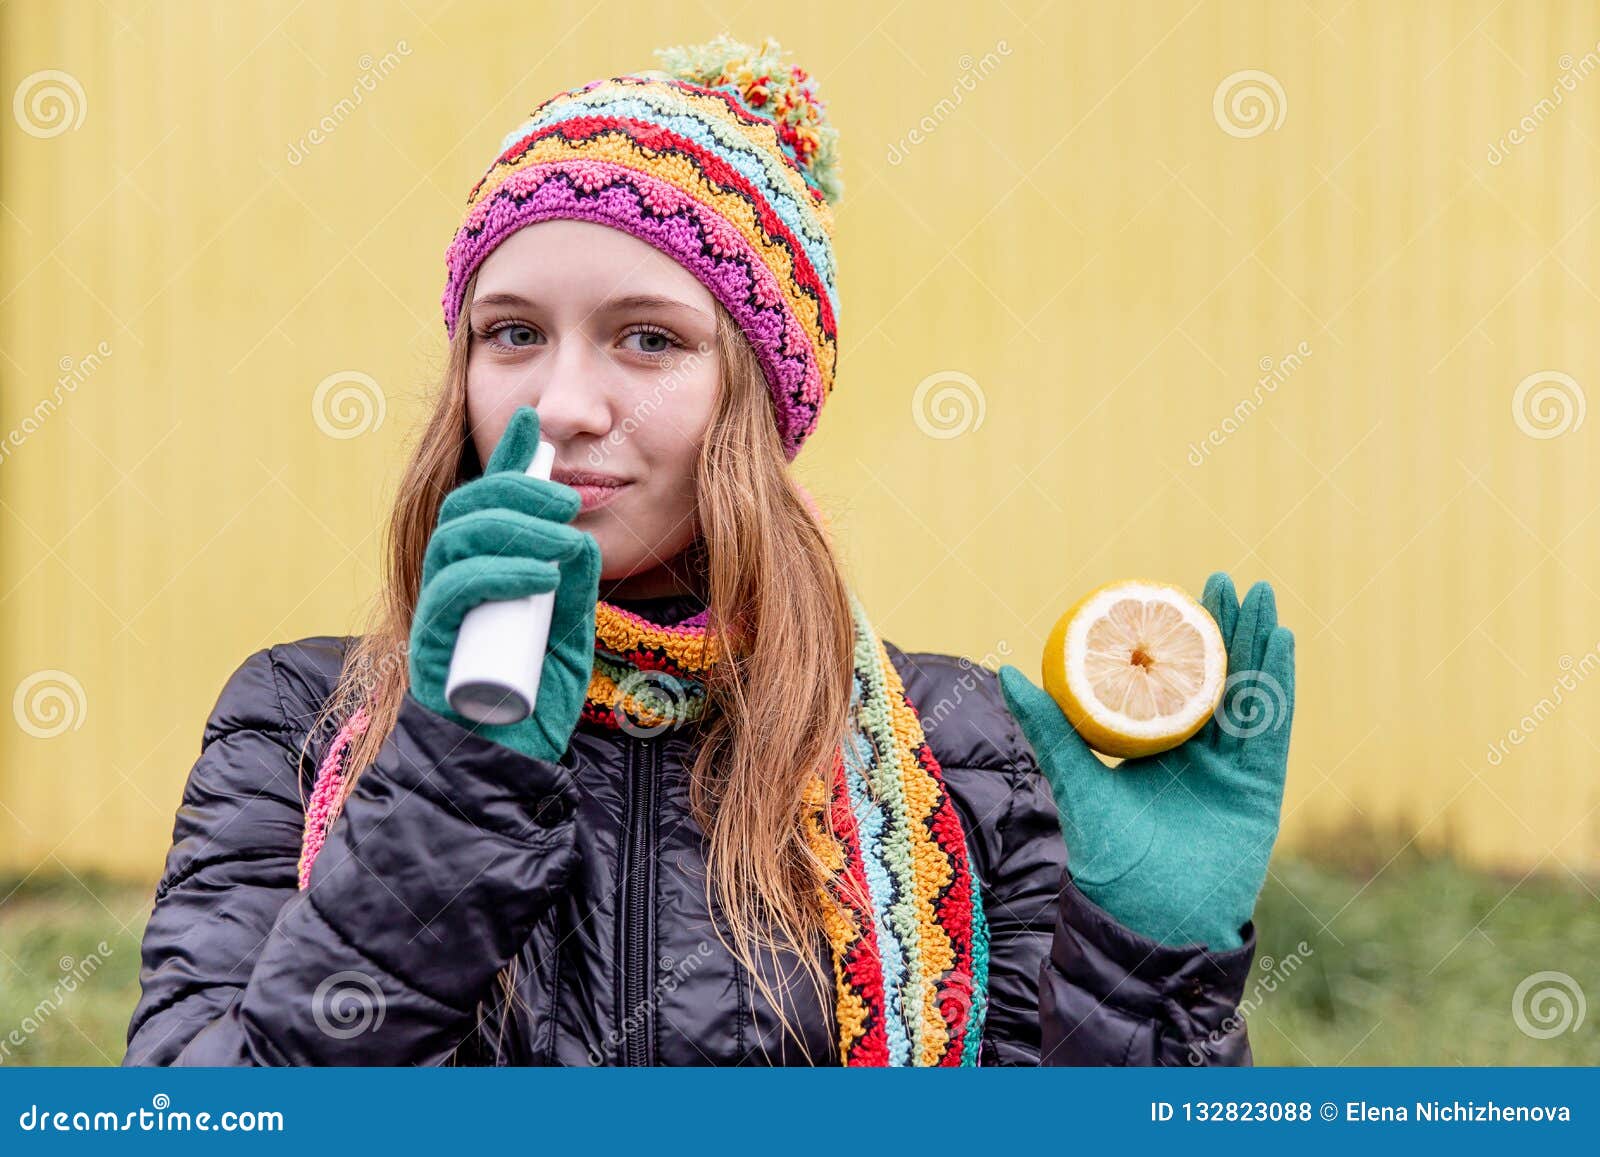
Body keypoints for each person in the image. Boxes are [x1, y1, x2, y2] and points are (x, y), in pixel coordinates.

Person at [123, 33, 1294, 1067]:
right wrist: (445, 796)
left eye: (647, 338)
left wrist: (1146, 971)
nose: (566, 400)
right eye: (513, 332)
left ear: (760, 400)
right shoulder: (296, 720)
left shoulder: (966, 753)